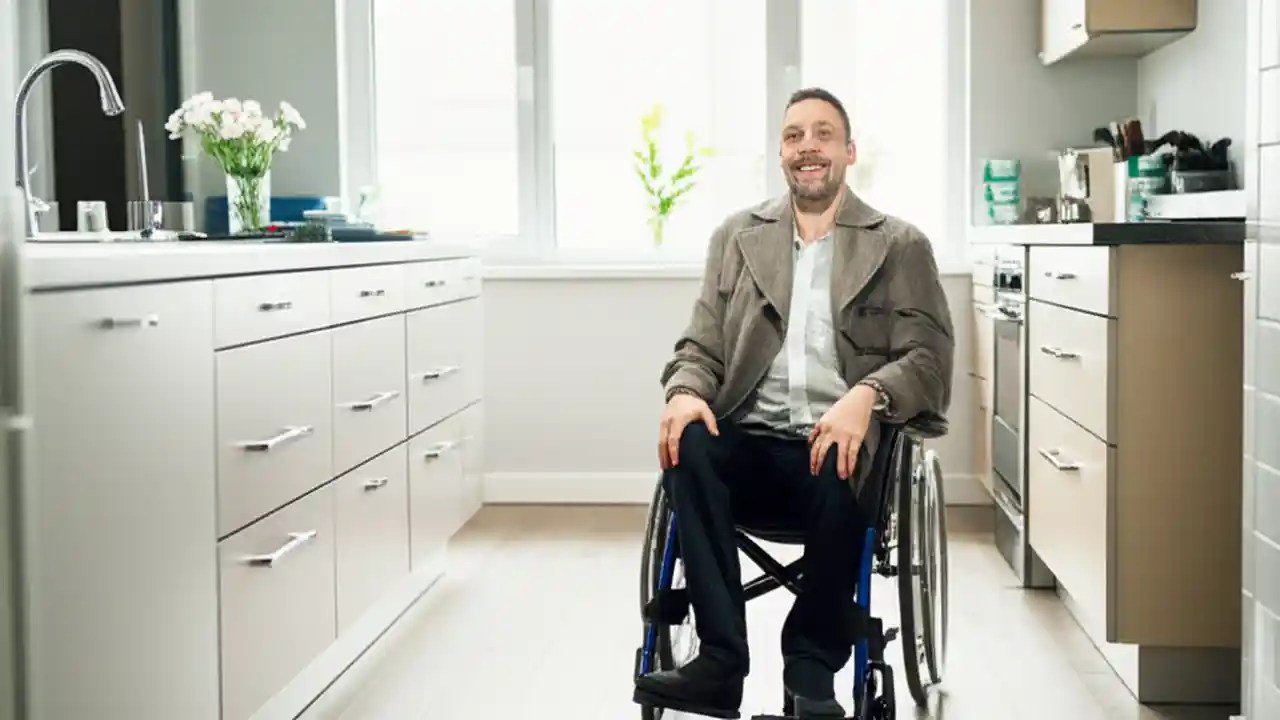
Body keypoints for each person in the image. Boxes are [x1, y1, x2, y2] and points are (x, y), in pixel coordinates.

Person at [632, 87, 954, 719]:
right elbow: (700, 345)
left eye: (823, 134)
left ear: (849, 152)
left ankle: (811, 665)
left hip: (837, 453)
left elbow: (928, 359)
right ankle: (720, 661)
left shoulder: (900, 245)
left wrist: (867, 395)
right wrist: (685, 392)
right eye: (793, 135)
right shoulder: (737, 237)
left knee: (841, 455)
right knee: (687, 440)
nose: (808, 146)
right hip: (750, 445)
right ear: (781, 154)